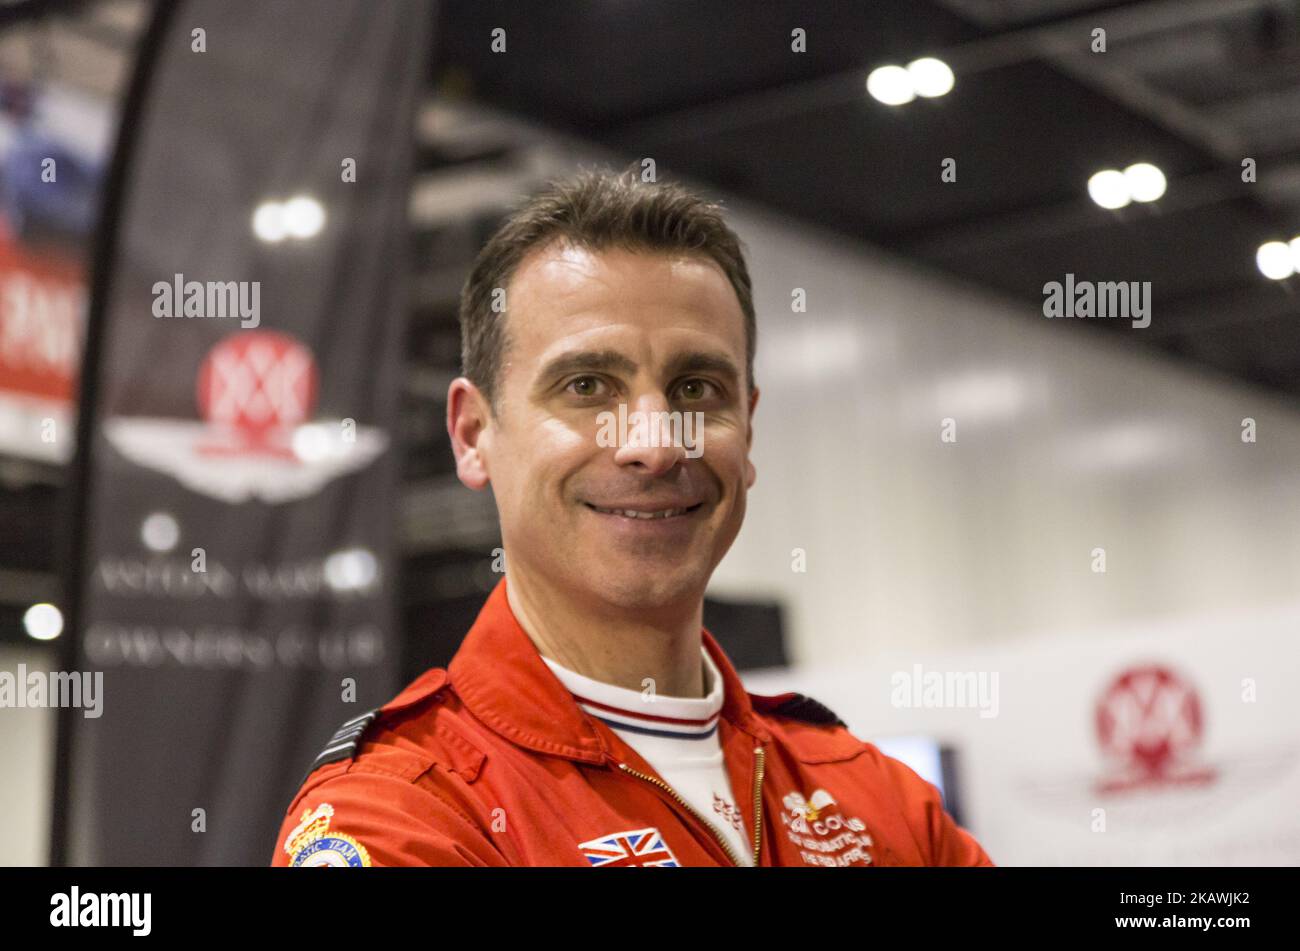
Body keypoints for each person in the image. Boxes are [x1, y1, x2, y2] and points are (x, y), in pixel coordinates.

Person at [271, 165, 993, 867]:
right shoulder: (400, 814)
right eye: (587, 385)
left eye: (696, 387)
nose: (653, 443)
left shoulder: (876, 800)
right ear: (472, 434)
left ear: (748, 428)